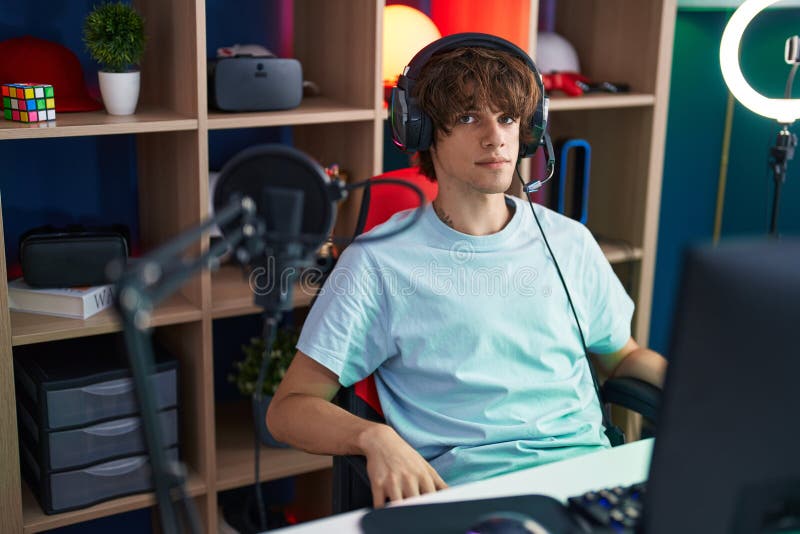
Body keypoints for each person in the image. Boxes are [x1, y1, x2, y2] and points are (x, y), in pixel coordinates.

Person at [267, 35, 667, 509]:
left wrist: (703, 393)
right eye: (467, 117)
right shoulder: (377, 261)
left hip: (592, 485)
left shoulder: (570, 243)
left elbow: (623, 357)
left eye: (507, 118)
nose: (495, 137)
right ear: (421, 132)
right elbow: (288, 410)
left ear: (529, 129)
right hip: (479, 498)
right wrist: (372, 438)